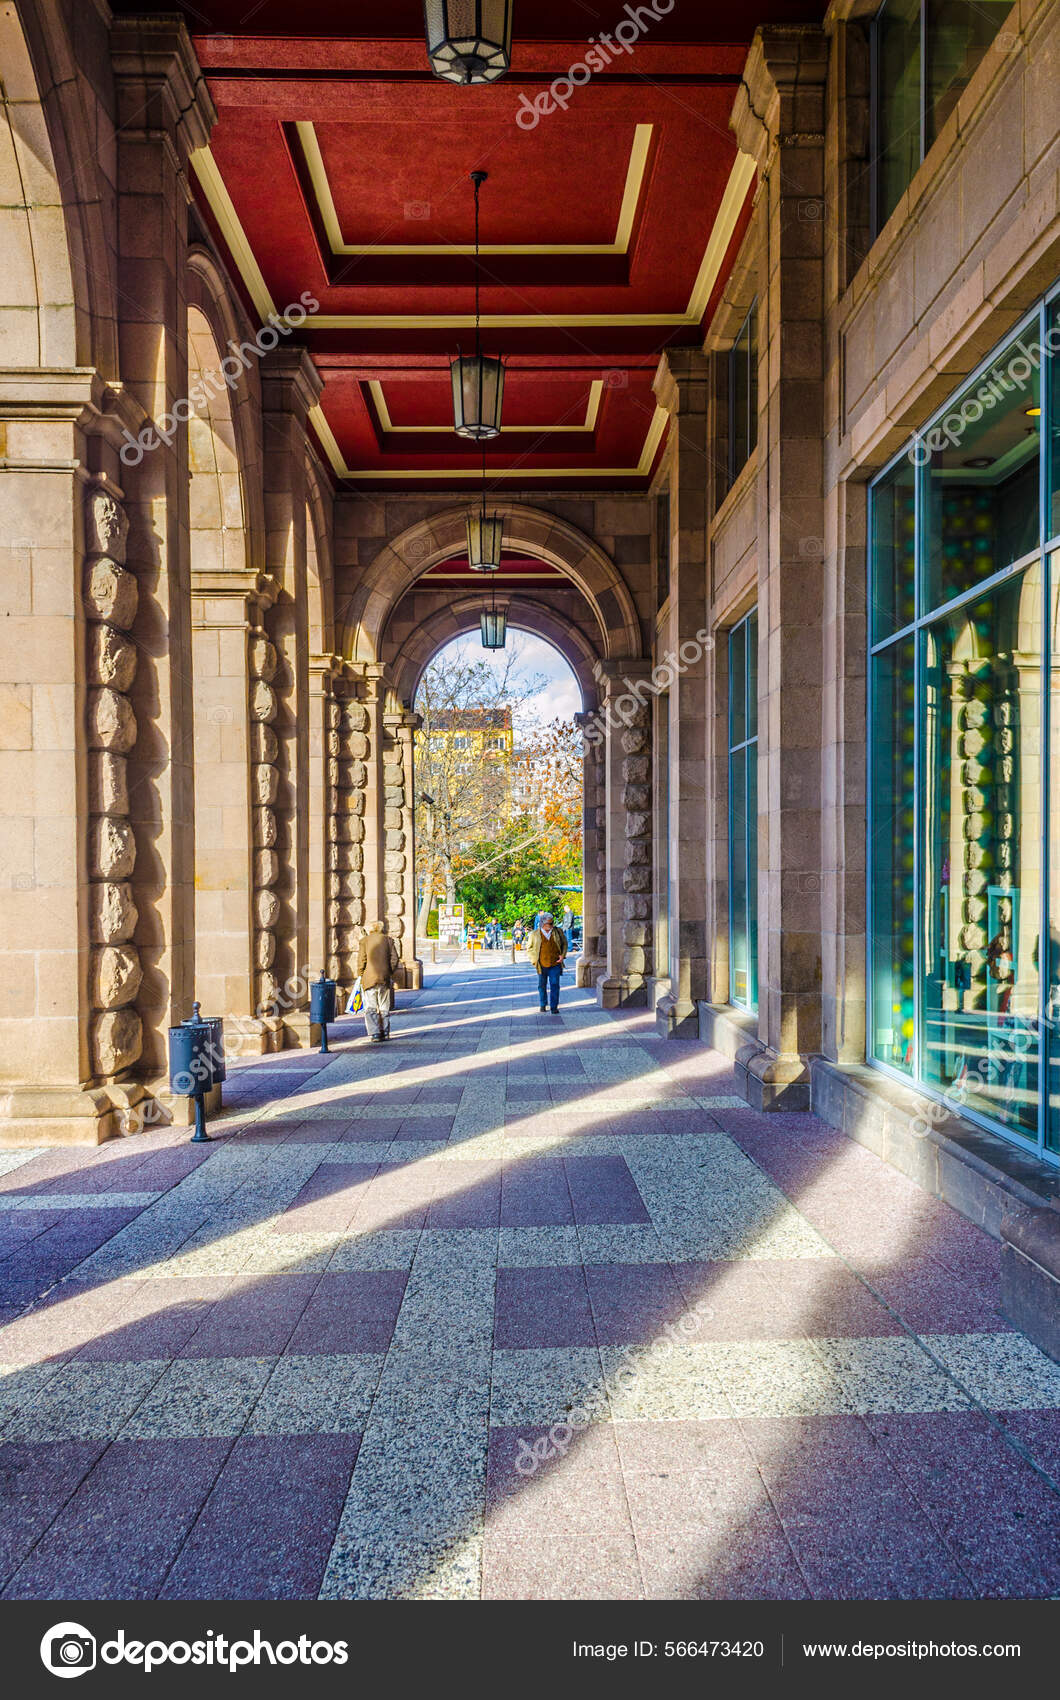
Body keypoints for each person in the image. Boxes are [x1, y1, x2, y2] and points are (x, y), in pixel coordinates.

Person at [354, 919, 400, 1041]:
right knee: (384, 1006)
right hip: (384, 978)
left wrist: (361, 974)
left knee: (371, 1006)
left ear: (371, 929)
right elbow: (395, 959)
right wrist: (389, 971)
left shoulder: (365, 941)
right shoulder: (388, 940)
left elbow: (361, 960)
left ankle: (375, 1033)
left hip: (369, 979)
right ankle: (385, 1032)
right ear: (381, 928)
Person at [528, 911, 568, 1013]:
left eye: (552, 923)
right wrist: (534, 961)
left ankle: (554, 1007)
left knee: (555, 985)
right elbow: (530, 948)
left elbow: (565, 944)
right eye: (548, 923)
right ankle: (543, 1004)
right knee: (542, 985)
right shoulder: (534, 934)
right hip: (541, 964)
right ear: (542, 923)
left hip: (555, 963)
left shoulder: (558, 932)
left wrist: (562, 956)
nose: (551, 925)